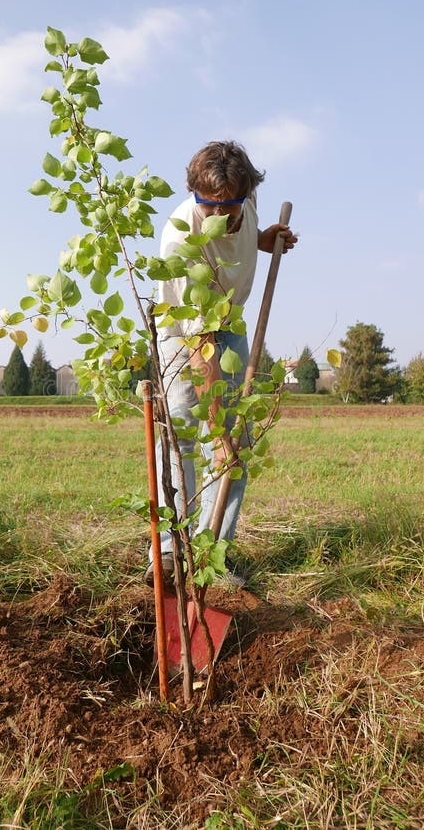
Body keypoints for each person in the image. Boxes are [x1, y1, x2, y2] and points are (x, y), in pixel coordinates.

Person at [144, 140, 298, 590]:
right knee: (184, 433)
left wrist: (264, 239)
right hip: (184, 332)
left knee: (237, 446)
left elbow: (241, 235)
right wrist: (218, 429)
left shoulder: (245, 201)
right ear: (194, 194)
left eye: (227, 206)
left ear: (245, 194)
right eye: (207, 205)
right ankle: (171, 551)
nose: (217, 216)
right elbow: (200, 343)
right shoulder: (182, 239)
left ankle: (213, 554)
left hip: (230, 322)